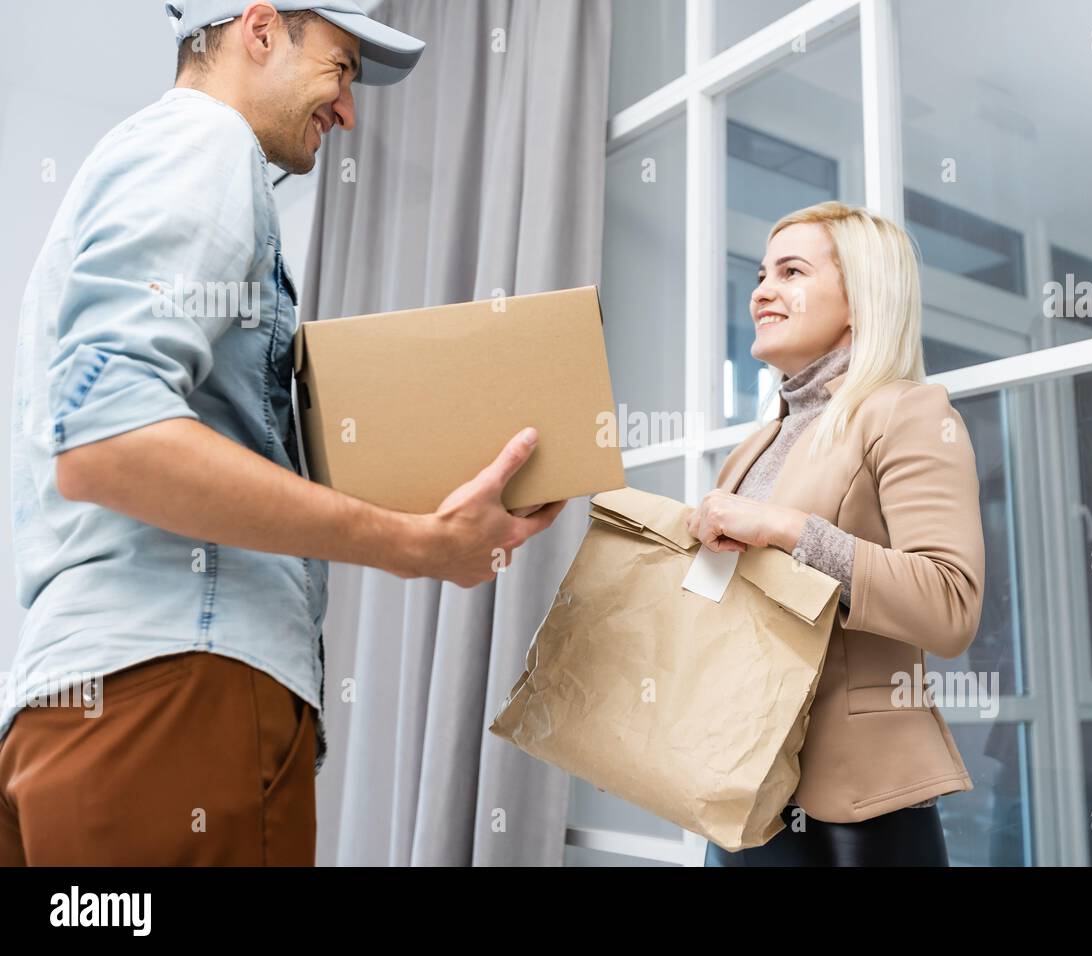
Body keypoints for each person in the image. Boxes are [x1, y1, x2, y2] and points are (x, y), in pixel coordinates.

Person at [0, 1, 564, 866]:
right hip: (181, 691)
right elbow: (111, 437)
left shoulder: (127, 171)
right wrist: (419, 544)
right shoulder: (205, 142)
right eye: (340, 69)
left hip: (90, 704)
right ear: (260, 31)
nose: (348, 108)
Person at [686, 201, 986, 866]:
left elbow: (950, 605)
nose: (762, 290)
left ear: (861, 299)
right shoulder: (758, 443)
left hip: (856, 804)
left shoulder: (909, 412)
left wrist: (790, 530)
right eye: (763, 273)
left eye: (791, 272)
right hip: (745, 787)